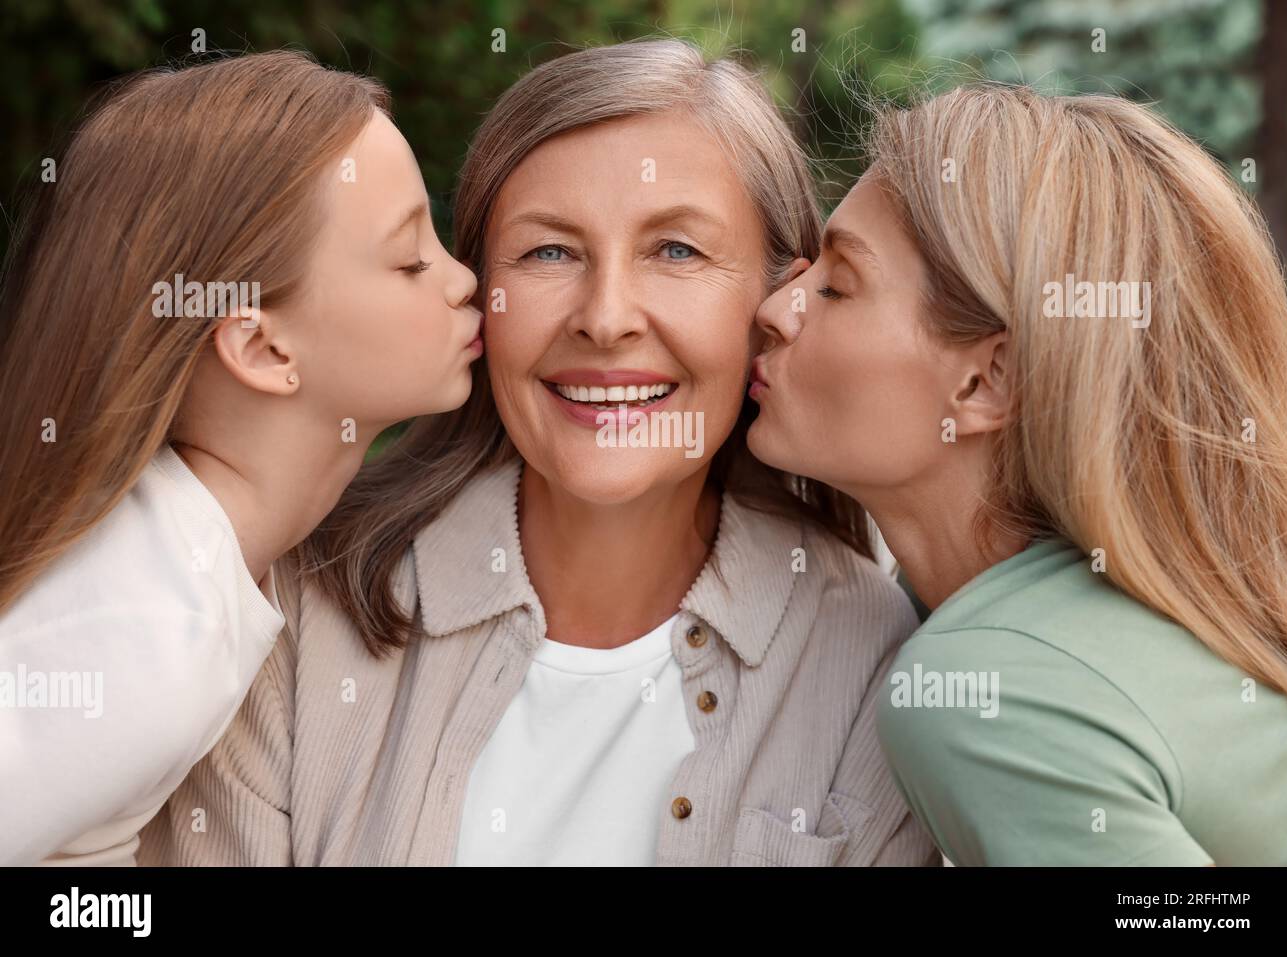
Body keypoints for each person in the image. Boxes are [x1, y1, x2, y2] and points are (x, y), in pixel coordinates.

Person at [140, 39, 937, 867]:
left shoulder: (868, 654)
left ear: (779, 301)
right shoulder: (299, 602)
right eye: (549, 251)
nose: (605, 317)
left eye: (676, 251)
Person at [747, 83, 1287, 865]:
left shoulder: (987, 683)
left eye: (836, 287)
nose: (776, 307)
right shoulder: (1019, 618)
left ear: (987, 382)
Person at [0, 51, 482, 865]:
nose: (465, 279)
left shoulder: (177, 568)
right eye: (410, 261)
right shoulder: (153, 637)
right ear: (260, 347)